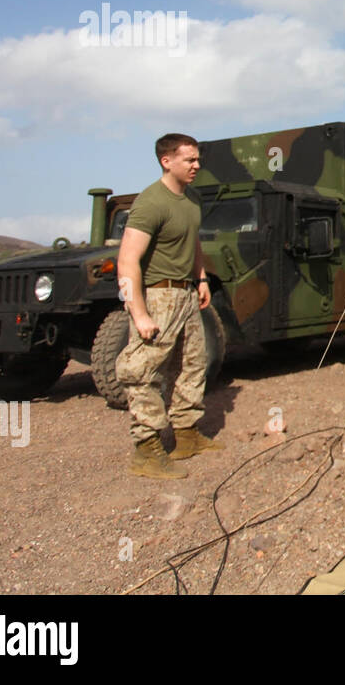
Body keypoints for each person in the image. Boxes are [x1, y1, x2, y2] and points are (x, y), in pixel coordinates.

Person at [116, 133, 224, 479]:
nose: (197, 165)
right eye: (189, 160)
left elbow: (192, 242)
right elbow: (127, 261)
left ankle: (187, 435)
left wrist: (202, 278)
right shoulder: (151, 202)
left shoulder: (190, 200)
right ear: (167, 161)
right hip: (157, 295)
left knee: (193, 364)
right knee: (144, 371)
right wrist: (140, 312)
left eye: (197, 159)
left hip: (186, 294)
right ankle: (146, 450)